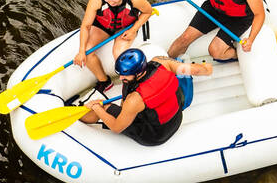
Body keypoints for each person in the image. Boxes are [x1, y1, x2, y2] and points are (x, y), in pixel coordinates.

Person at [81, 48, 213, 146]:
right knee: (126, 96)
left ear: (138, 74)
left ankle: (78, 122)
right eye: (120, 74)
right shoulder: (160, 62)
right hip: (176, 120)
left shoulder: (135, 99)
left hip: (154, 135)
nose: (121, 78)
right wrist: (207, 69)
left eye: (125, 75)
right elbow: (195, 70)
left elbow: (116, 127)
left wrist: (97, 107)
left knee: (106, 107)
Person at [74, 0, 154, 91]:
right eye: (108, 0)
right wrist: (81, 51)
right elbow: (86, 26)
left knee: (119, 54)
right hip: (103, 26)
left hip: (125, 27)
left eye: (115, 0)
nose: (111, 3)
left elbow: (148, 11)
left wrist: (133, 29)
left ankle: (132, 84)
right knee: (87, 51)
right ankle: (104, 81)